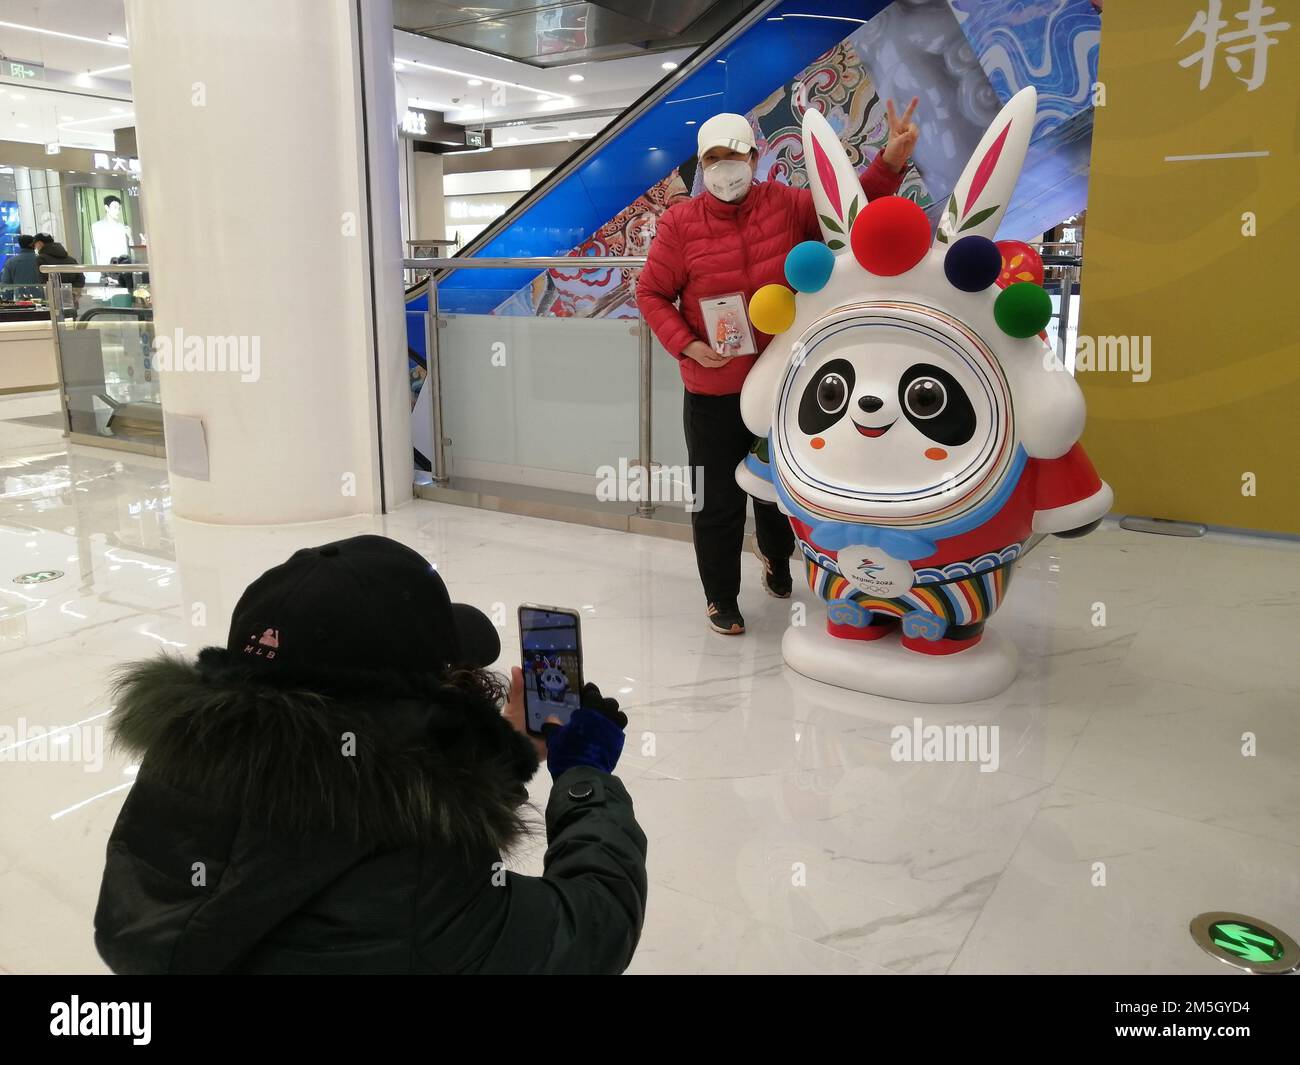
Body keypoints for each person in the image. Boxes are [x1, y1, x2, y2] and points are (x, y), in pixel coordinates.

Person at [93, 534, 648, 975]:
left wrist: (505, 756)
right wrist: (583, 775)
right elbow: (589, 931)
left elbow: (341, 804)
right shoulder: (416, 891)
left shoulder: (173, 784)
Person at [637, 99, 921, 635]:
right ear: (701, 165)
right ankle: (720, 596)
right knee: (717, 499)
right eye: (713, 158)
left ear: (754, 155)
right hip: (713, 390)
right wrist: (688, 345)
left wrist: (889, 162)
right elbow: (651, 292)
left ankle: (775, 556)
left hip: (781, 387)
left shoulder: (787, 205)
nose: (725, 167)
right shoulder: (681, 224)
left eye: (735, 155)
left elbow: (850, 217)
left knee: (775, 490)